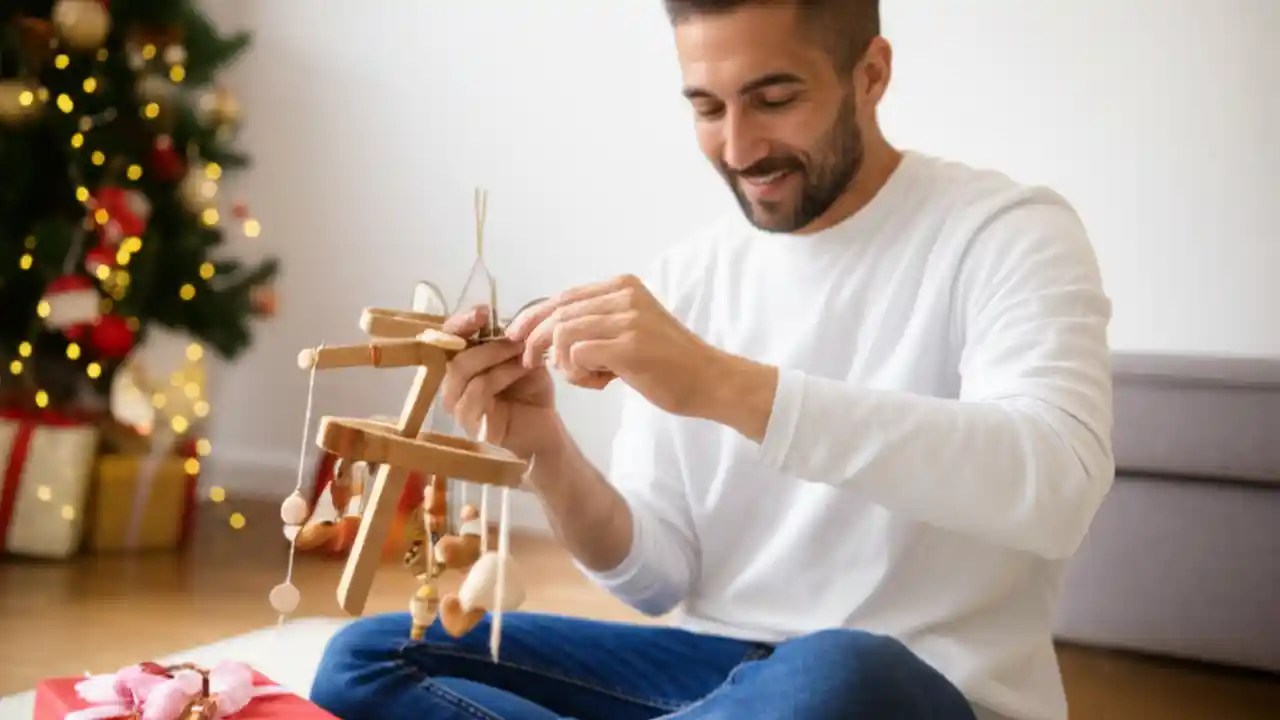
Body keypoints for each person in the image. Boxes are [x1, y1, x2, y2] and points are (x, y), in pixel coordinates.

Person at [310, 0, 1114, 718]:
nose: (738, 147)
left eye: (774, 99)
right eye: (706, 107)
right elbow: (658, 578)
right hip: (714, 678)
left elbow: (1058, 488)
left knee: (840, 671)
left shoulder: (1007, 233)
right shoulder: (687, 277)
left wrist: (717, 382)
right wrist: (545, 452)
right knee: (369, 658)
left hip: (909, 690)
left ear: (870, 75)